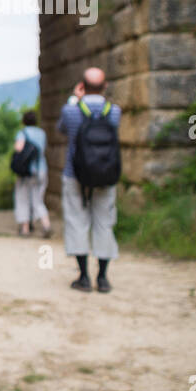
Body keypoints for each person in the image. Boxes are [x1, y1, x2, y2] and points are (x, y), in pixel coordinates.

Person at [57, 67, 121, 293]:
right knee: (104, 223)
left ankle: (83, 277)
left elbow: (61, 129)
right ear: (105, 87)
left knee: (77, 222)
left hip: (75, 175)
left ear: (82, 86)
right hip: (105, 175)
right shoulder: (114, 112)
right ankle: (102, 278)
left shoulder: (70, 110)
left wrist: (75, 98)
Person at [13, 109, 50, 238]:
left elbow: (18, 148)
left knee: (22, 198)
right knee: (38, 199)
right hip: (41, 169)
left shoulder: (22, 133)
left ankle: (25, 228)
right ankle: (46, 225)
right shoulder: (42, 133)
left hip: (27, 172)